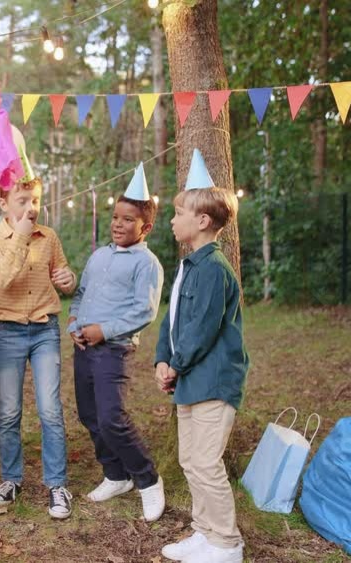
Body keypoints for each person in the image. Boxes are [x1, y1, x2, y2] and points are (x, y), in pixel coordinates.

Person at [155, 150, 249, 563]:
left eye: (178, 213)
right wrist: (162, 358)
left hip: (212, 381)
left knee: (207, 462)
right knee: (190, 459)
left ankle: (227, 543)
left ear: (203, 222)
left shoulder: (213, 268)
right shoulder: (188, 266)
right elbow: (172, 318)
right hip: (191, 380)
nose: (172, 220)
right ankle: (204, 532)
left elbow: (202, 329)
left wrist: (176, 363)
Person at [0, 151, 78, 519]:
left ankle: (57, 485)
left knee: (50, 410)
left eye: (35, 200)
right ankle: (11, 478)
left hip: (43, 331)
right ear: (4, 203)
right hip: (7, 332)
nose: (31, 207)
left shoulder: (49, 237)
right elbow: (1, 279)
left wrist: (69, 279)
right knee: (9, 412)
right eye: (22, 201)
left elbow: (63, 273)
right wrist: (20, 236)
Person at [68, 164, 165, 522]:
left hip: (114, 350)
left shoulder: (147, 263)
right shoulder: (99, 256)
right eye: (115, 217)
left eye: (128, 220)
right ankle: (115, 474)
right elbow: (80, 294)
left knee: (112, 417)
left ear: (146, 227)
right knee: (90, 414)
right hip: (84, 347)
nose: (118, 224)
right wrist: (75, 322)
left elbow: (145, 311)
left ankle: (148, 480)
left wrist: (103, 331)